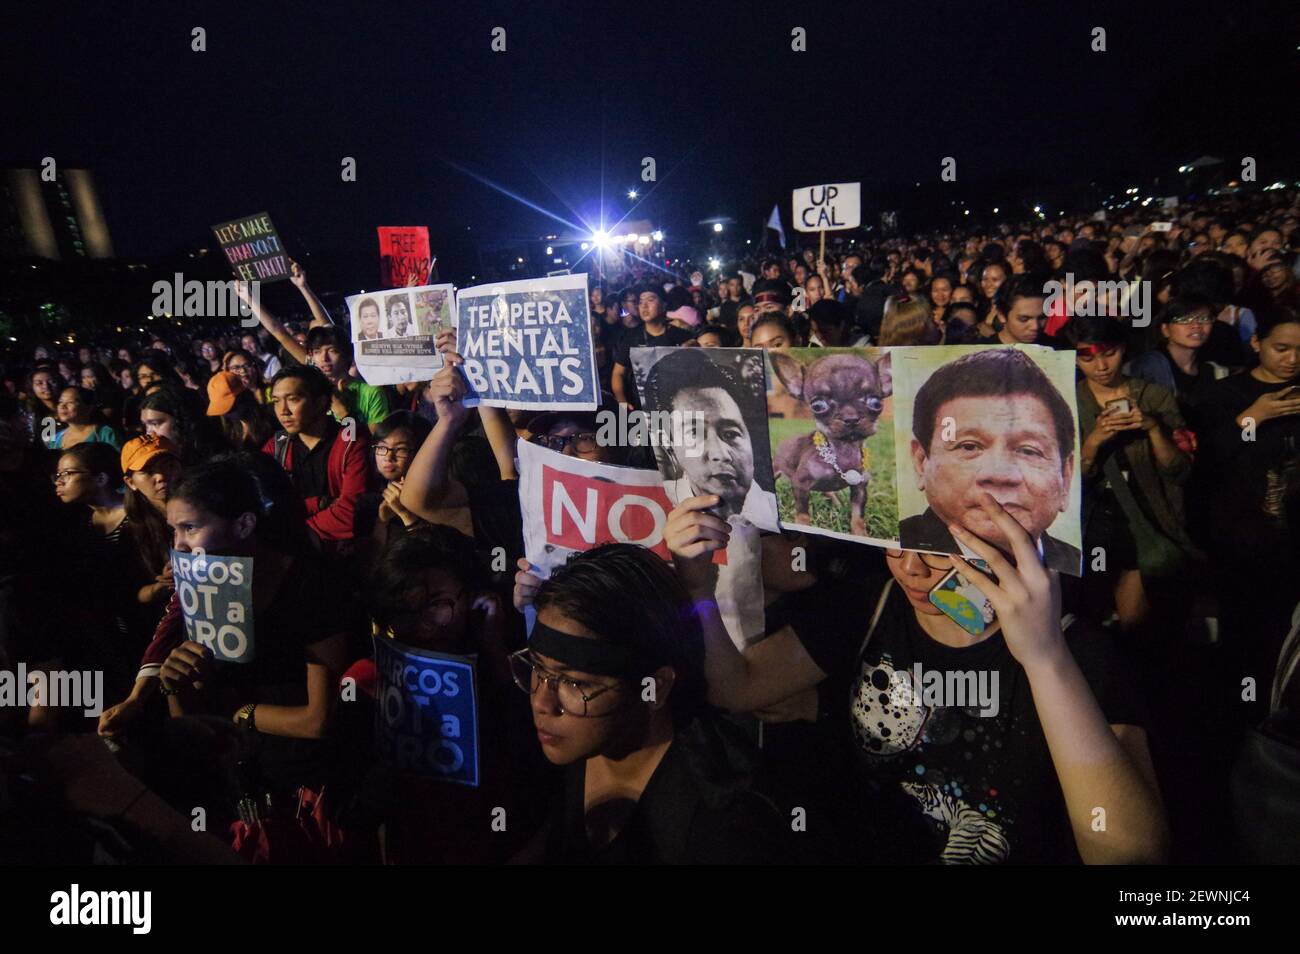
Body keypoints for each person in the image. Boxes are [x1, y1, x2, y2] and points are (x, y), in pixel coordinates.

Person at [663, 493, 1168, 863]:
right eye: (894, 547)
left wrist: (1044, 658)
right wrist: (695, 582)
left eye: (935, 548)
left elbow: (1131, 852)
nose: (912, 571)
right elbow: (736, 686)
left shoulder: (1079, 652)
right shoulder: (868, 605)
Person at [511, 544, 785, 864]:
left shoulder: (724, 822)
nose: (542, 703)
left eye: (576, 683)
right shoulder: (544, 759)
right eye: (538, 670)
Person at [156, 456, 351, 837]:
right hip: (239, 780)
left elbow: (319, 720)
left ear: (244, 524)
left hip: (303, 784)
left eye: (190, 527)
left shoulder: (312, 588)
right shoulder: (201, 584)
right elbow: (192, 722)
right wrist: (172, 683)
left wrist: (239, 713)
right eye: (173, 530)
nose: (179, 544)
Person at [899, 348, 1081, 572]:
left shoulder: (1079, 567)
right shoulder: (895, 548)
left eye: (1028, 451)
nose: (1000, 474)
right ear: (921, 463)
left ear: (1065, 476)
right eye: (969, 446)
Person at [1067, 317, 1195, 630]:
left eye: (1108, 353)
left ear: (1123, 350)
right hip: (1091, 519)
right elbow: (1064, 482)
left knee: (1134, 619)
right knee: (1089, 612)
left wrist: (1152, 428)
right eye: (1087, 357)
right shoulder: (1067, 402)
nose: (1100, 366)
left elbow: (1179, 470)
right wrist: (1094, 440)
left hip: (1144, 512)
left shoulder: (1154, 397)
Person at [264, 365, 372, 549]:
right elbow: (266, 507)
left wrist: (297, 533)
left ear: (321, 402)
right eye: (276, 401)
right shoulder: (277, 446)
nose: (283, 410)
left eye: (293, 399)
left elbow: (351, 512)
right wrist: (317, 504)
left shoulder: (351, 442)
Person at [609, 286, 694, 408]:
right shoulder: (631, 338)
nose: (644, 306)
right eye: (640, 302)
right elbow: (618, 373)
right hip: (642, 409)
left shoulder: (681, 336)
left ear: (664, 305)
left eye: (650, 300)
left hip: (676, 407)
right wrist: (622, 401)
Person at [305, 327, 390, 429]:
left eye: (332, 351)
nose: (324, 358)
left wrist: (344, 414)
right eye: (317, 352)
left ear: (347, 354)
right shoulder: (311, 393)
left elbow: (375, 440)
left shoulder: (371, 392)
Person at [46, 386, 121, 450]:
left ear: (88, 408)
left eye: (70, 402)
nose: (62, 406)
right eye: (60, 402)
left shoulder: (105, 434)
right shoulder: (56, 439)